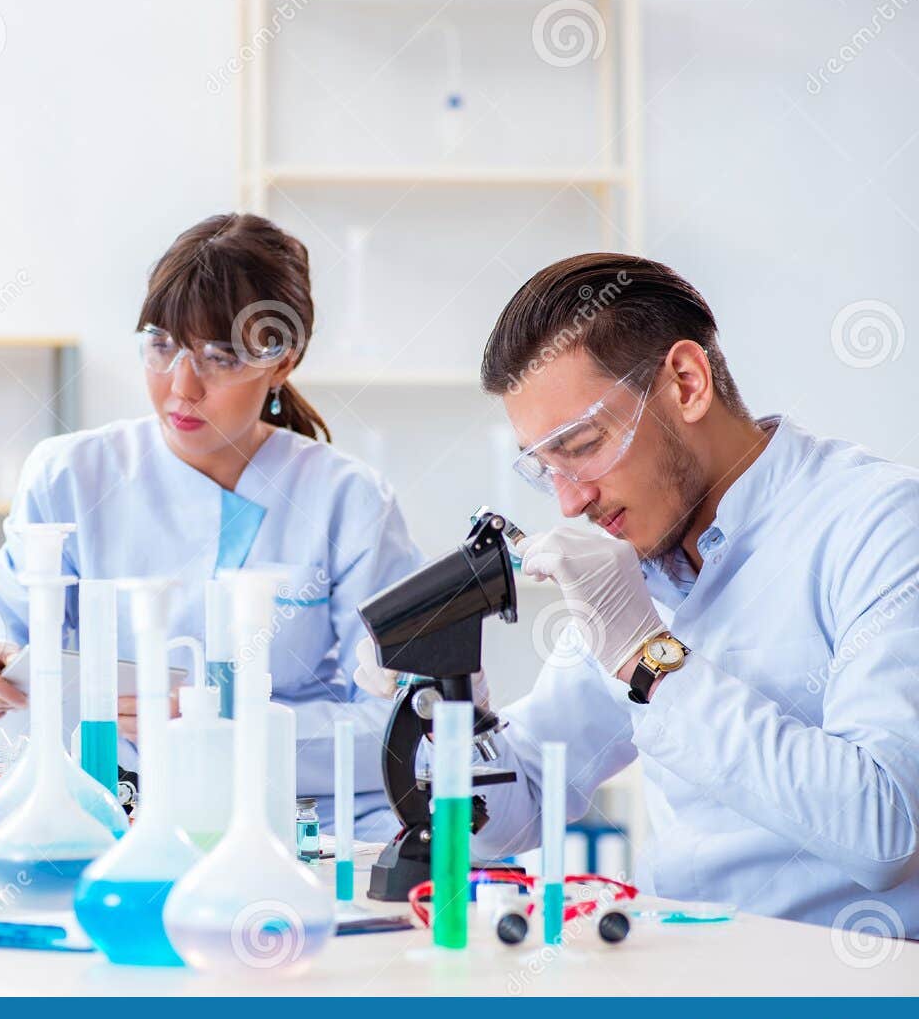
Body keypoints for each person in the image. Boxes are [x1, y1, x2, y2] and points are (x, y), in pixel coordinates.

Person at [360, 252, 919, 933]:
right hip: (676, 966)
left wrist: (650, 660)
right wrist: (451, 708)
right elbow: (522, 803)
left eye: (584, 445)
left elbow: (887, 831)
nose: (569, 503)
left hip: (838, 990)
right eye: (546, 469)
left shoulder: (881, 524)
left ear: (686, 383)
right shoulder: (646, 563)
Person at [0, 213, 423, 834]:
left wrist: (229, 728)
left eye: (220, 358)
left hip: (301, 820)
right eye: (162, 346)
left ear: (283, 362)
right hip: (108, 815)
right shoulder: (71, 474)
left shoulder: (349, 499)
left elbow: (404, 726)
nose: (182, 387)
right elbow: (0, 644)